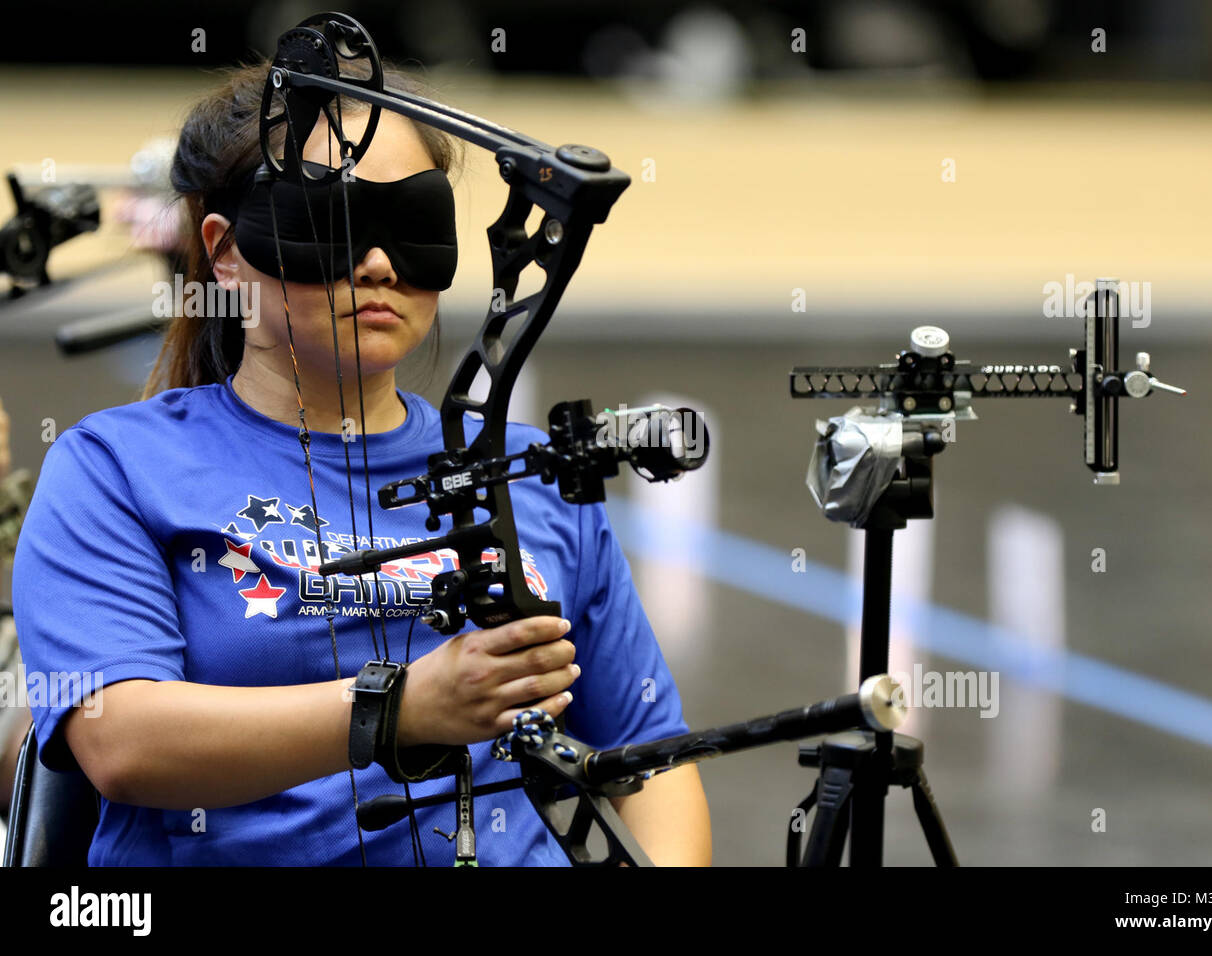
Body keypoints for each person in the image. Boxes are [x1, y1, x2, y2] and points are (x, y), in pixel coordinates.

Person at [11, 61, 711, 866]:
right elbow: (122, 742)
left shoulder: (530, 473)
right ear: (228, 254)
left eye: (412, 220)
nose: (379, 263)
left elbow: (649, 754)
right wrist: (401, 708)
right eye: (334, 220)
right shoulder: (111, 469)